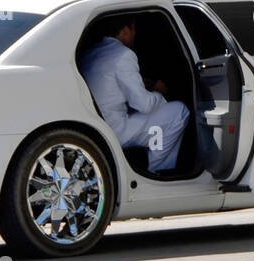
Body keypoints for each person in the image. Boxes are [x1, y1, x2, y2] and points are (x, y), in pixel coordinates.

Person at [79, 14, 190, 173]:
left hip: (95, 126)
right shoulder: (124, 54)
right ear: (124, 30)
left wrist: (142, 85)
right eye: (134, 29)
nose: (135, 34)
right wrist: (158, 92)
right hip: (116, 130)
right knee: (179, 111)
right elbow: (144, 105)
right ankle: (157, 170)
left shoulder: (91, 54)